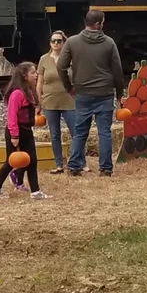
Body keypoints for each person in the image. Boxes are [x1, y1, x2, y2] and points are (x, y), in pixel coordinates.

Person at [57, 10, 125, 177]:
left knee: (80, 131)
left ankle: (74, 166)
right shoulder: (109, 43)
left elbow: (60, 66)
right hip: (105, 93)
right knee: (104, 132)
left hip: (82, 93)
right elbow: (117, 70)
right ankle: (106, 169)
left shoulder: (72, 42)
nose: (103, 25)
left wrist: (69, 87)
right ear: (97, 24)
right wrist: (119, 94)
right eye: (102, 22)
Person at [0, 62, 48, 199]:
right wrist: (14, 135)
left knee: (32, 161)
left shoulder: (29, 91)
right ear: (24, 76)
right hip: (15, 132)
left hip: (26, 130)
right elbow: (12, 117)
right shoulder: (16, 94)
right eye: (32, 72)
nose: (36, 75)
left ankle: (36, 192)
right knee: (11, 162)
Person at [37, 30, 76, 174]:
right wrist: (38, 102)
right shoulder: (44, 59)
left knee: (76, 132)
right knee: (54, 134)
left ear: (64, 43)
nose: (55, 43)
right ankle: (59, 164)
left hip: (69, 101)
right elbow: (39, 82)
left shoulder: (71, 59)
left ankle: (78, 161)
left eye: (59, 41)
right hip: (50, 101)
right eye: (53, 41)